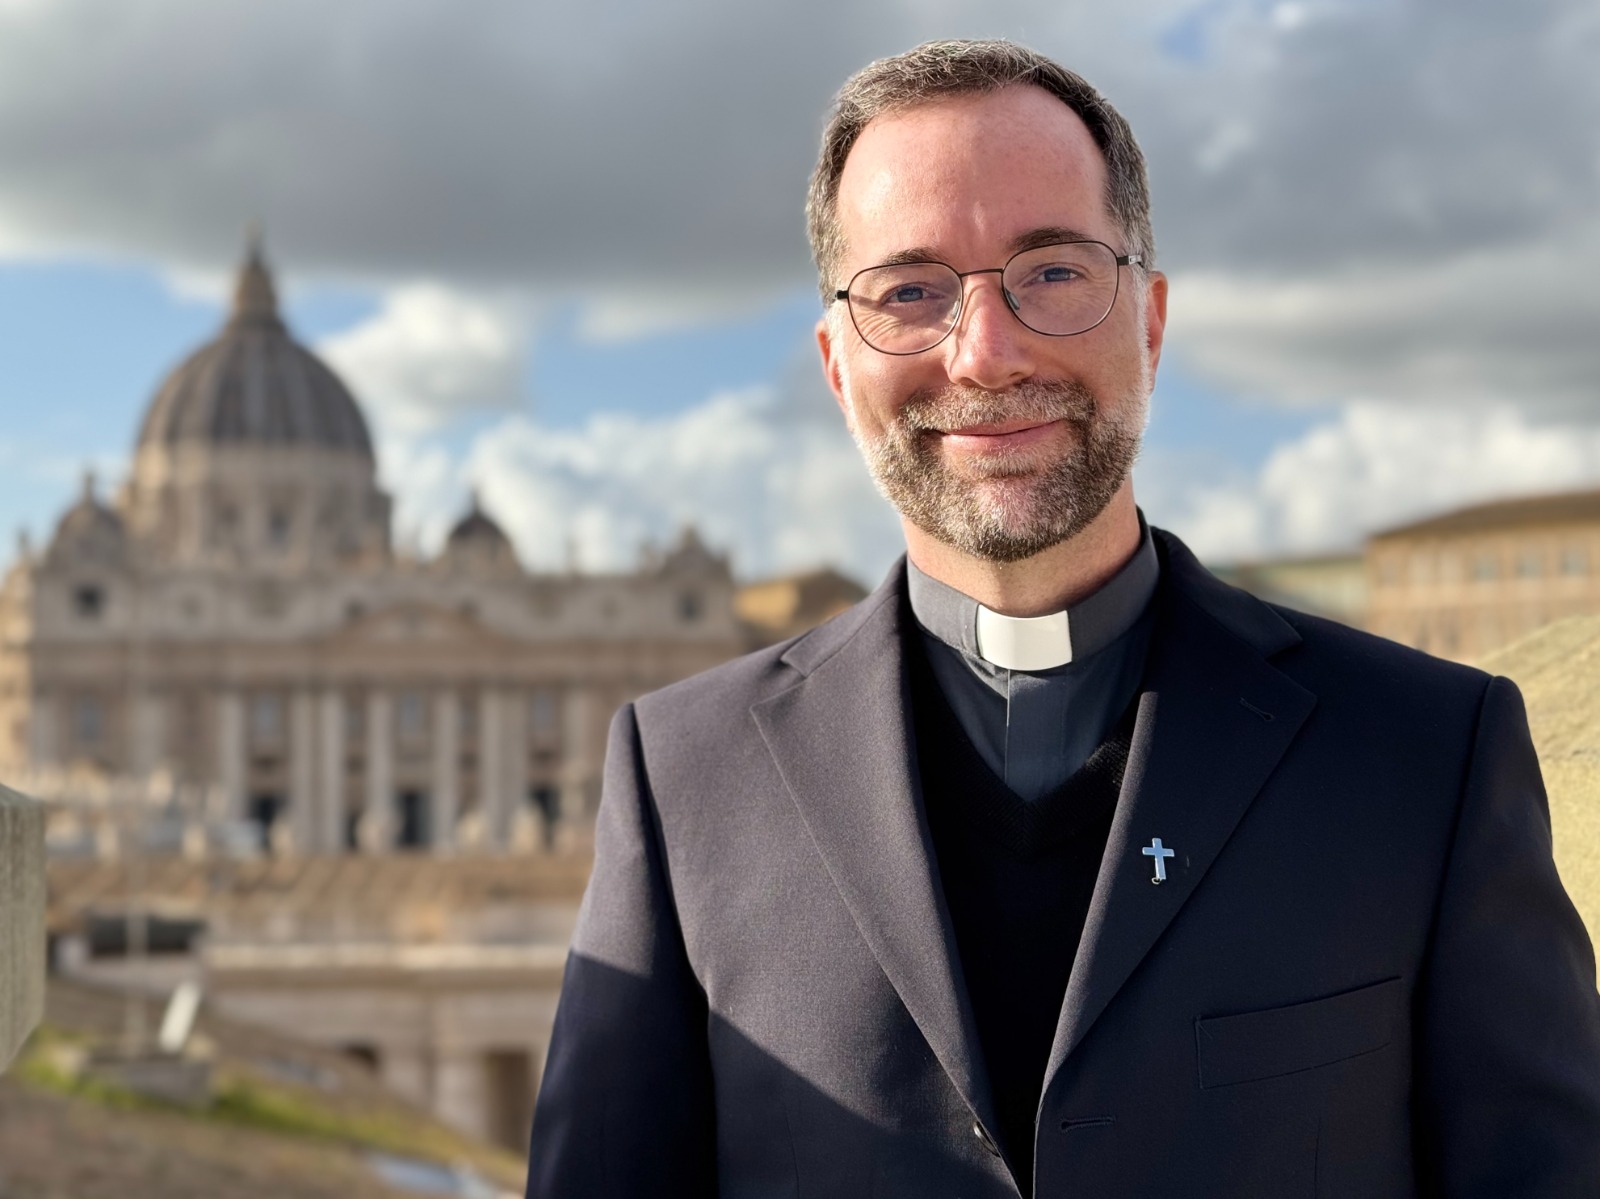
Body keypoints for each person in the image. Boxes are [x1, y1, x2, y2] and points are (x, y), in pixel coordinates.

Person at [525, 39, 1600, 1198]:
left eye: (1050, 270)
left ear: (1148, 318)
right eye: (909, 290)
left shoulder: (1426, 752)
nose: (984, 352)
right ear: (838, 365)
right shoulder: (682, 775)